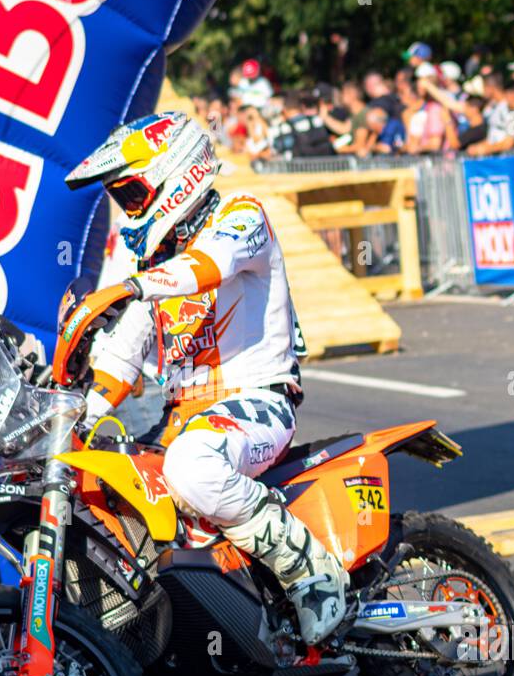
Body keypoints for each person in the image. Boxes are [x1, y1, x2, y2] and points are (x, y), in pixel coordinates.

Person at [61, 111, 351, 645]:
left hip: (257, 404)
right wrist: (77, 414)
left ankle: (312, 571)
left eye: (130, 194)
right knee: (105, 483)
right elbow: (122, 360)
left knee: (191, 468)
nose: (127, 211)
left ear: (175, 172)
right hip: (185, 420)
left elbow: (209, 264)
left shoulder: (242, 217)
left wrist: (125, 289)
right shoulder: (158, 262)